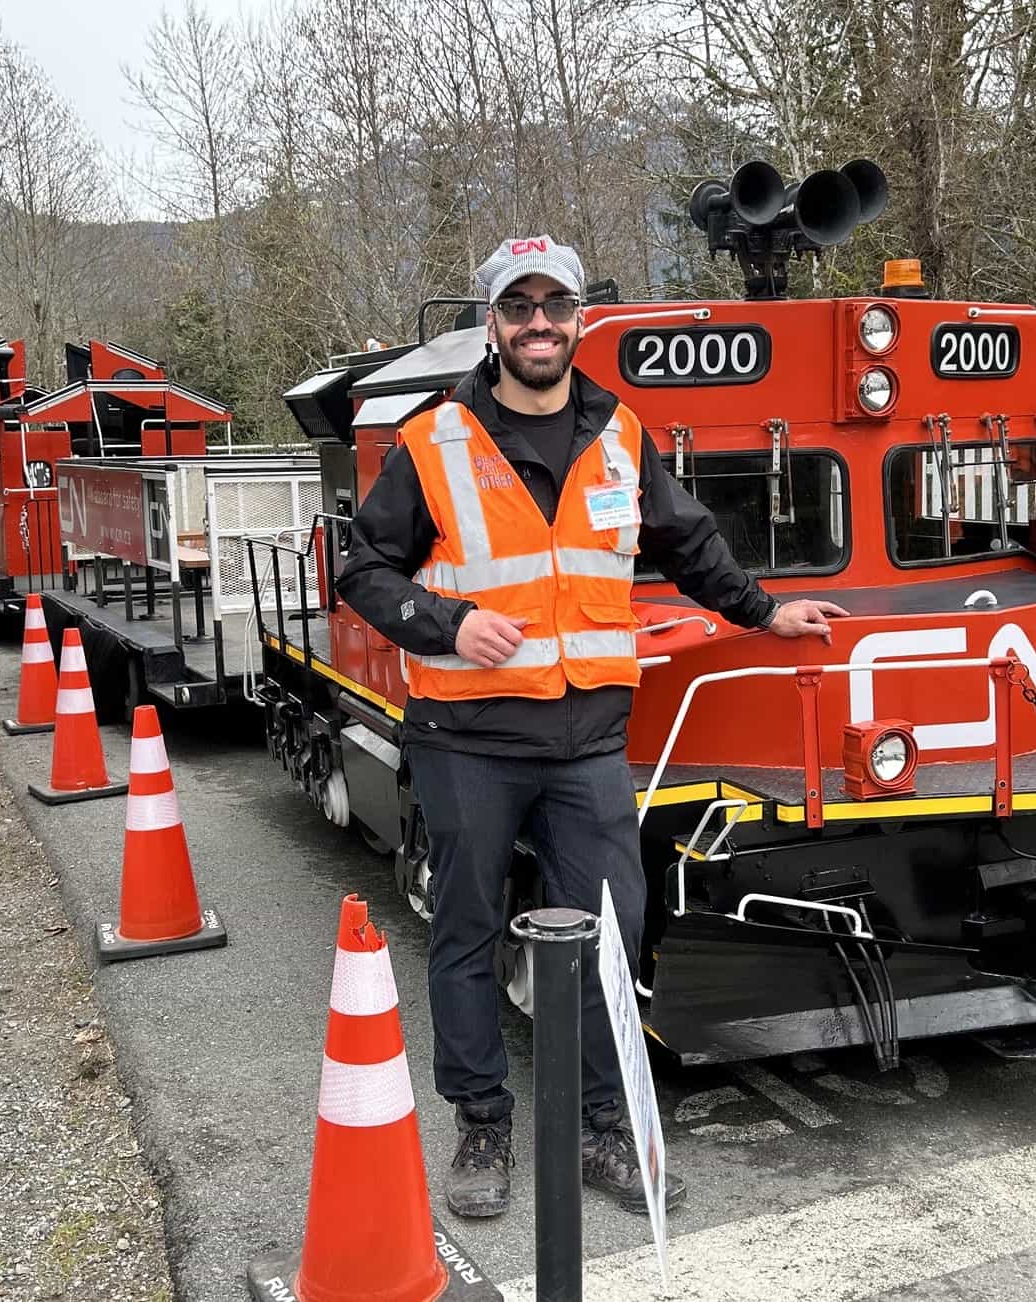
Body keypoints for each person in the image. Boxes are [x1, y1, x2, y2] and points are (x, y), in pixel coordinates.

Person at [337, 235, 846, 1218]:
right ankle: (482, 1125)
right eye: (518, 306)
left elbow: (688, 541)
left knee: (611, 935)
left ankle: (605, 1131)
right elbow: (362, 570)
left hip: (587, 744)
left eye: (554, 305)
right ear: (491, 322)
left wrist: (762, 611)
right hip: (467, 738)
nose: (538, 323)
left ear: (577, 318)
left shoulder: (621, 433)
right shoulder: (435, 442)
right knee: (467, 930)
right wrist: (448, 622)